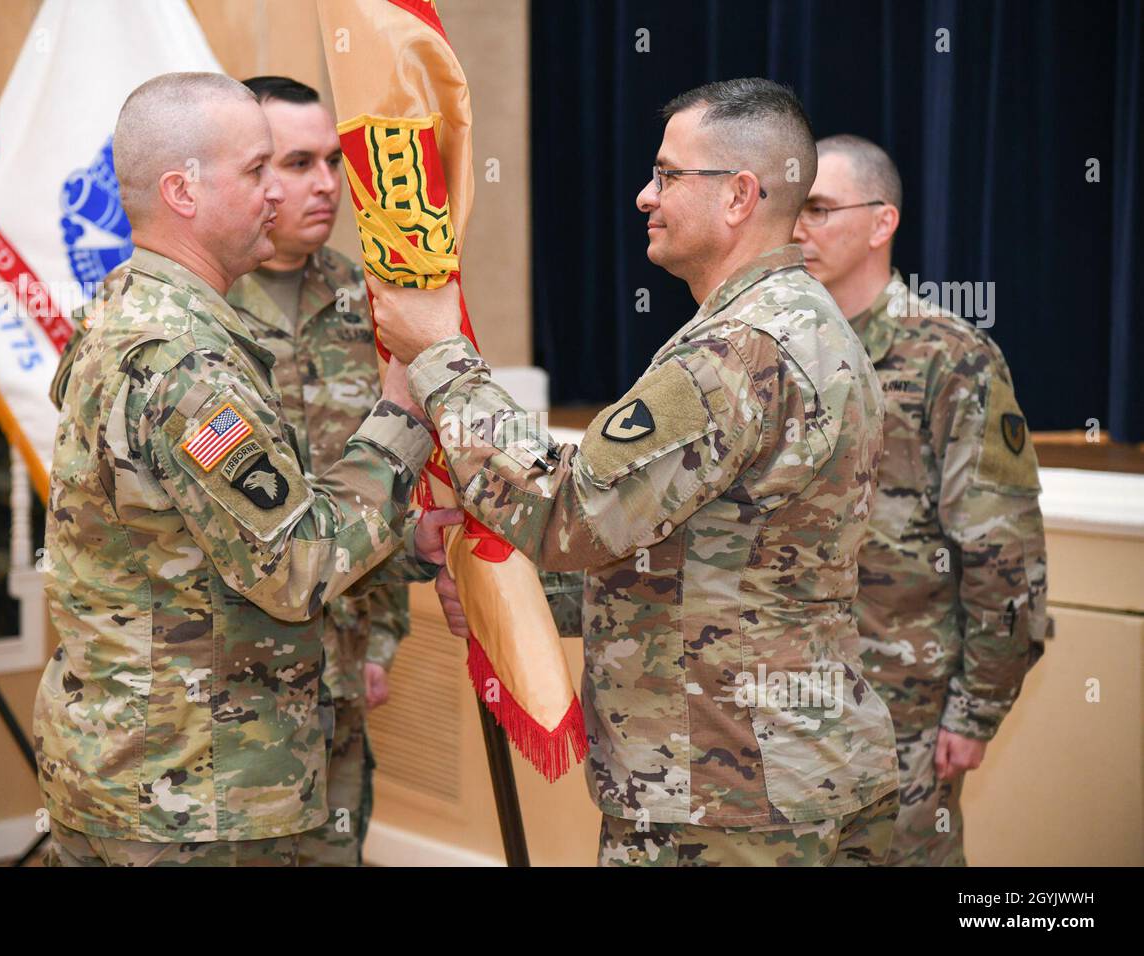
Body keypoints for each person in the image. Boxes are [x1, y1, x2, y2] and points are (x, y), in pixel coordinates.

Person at [373, 78, 900, 866]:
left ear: (739, 196)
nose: (643, 195)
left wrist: (440, 357)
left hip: (726, 798)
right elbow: (720, 562)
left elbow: (569, 512)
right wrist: (529, 600)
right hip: (791, 771)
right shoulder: (799, 319)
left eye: (668, 175)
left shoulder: (736, 350)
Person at [34, 72, 458, 867]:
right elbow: (294, 565)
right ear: (183, 192)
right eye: (258, 170)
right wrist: (402, 406)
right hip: (195, 795)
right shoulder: (186, 361)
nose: (281, 193)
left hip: (142, 774)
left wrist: (402, 542)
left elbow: (197, 548)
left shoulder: (131, 312)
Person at [792, 134, 1050, 866]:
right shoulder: (782, 352)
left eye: (818, 208)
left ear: (882, 222)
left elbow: (1003, 552)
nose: (797, 229)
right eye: (792, 210)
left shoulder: (951, 356)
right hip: (786, 705)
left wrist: (977, 711)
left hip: (901, 708)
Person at [224, 75, 407, 866]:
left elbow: (398, 482)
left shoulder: (376, 302)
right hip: (227, 702)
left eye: (334, 161)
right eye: (299, 162)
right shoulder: (196, 312)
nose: (328, 184)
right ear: (248, 169)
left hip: (340, 677)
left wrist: (382, 643)